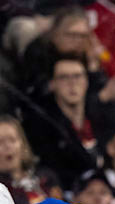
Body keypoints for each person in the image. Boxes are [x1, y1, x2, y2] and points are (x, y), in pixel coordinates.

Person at [21, 56, 105, 190]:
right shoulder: (41, 128)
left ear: (86, 81)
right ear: (52, 84)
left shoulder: (102, 118)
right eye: (64, 77)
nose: (72, 83)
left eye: (77, 76)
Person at [0, 117, 60, 204]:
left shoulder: (47, 177)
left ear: (23, 145)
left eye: (12, 140)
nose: (8, 146)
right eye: (0, 142)